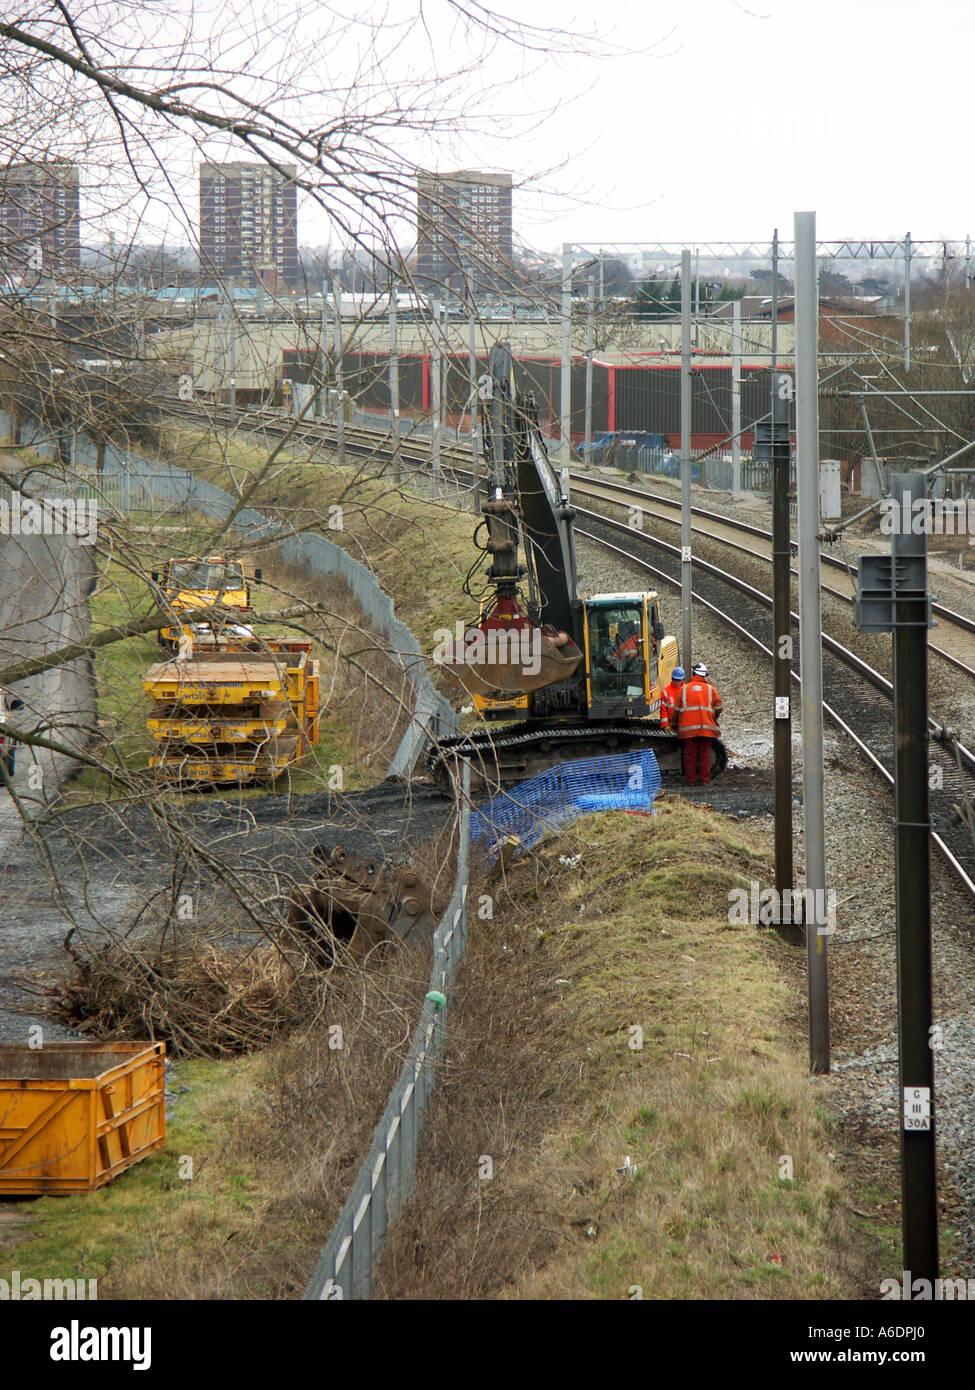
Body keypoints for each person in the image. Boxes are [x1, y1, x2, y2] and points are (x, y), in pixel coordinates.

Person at [674, 662, 722, 785]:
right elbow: (719, 708)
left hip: (688, 730)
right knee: (705, 755)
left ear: (693, 674)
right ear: (704, 676)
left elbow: (676, 711)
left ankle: (690, 781)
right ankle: (705, 781)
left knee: (690, 755)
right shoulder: (711, 689)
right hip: (707, 729)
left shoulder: (683, 690)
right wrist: (713, 718)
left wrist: (674, 725)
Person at [660, 665, 685, 731]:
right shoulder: (666, 691)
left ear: (682, 680)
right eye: (674, 679)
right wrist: (665, 725)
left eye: (678, 680)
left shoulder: (686, 690)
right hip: (671, 726)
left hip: (684, 725)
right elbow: (663, 710)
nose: (676, 682)